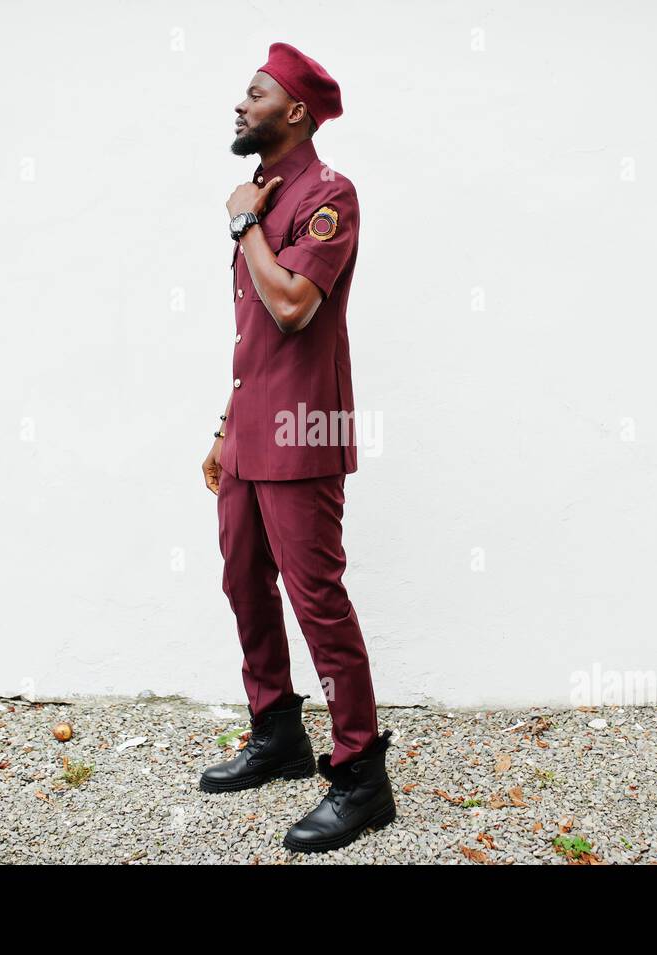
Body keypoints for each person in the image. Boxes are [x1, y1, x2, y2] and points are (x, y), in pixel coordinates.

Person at [198, 42, 395, 854]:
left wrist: (244, 221)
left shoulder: (327, 197)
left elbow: (290, 309)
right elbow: (254, 339)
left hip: (304, 432)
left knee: (318, 600)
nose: (238, 105)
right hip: (251, 428)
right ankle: (276, 729)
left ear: (297, 112)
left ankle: (360, 776)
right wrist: (222, 423)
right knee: (245, 580)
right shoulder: (268, 192)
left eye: (255, 94)